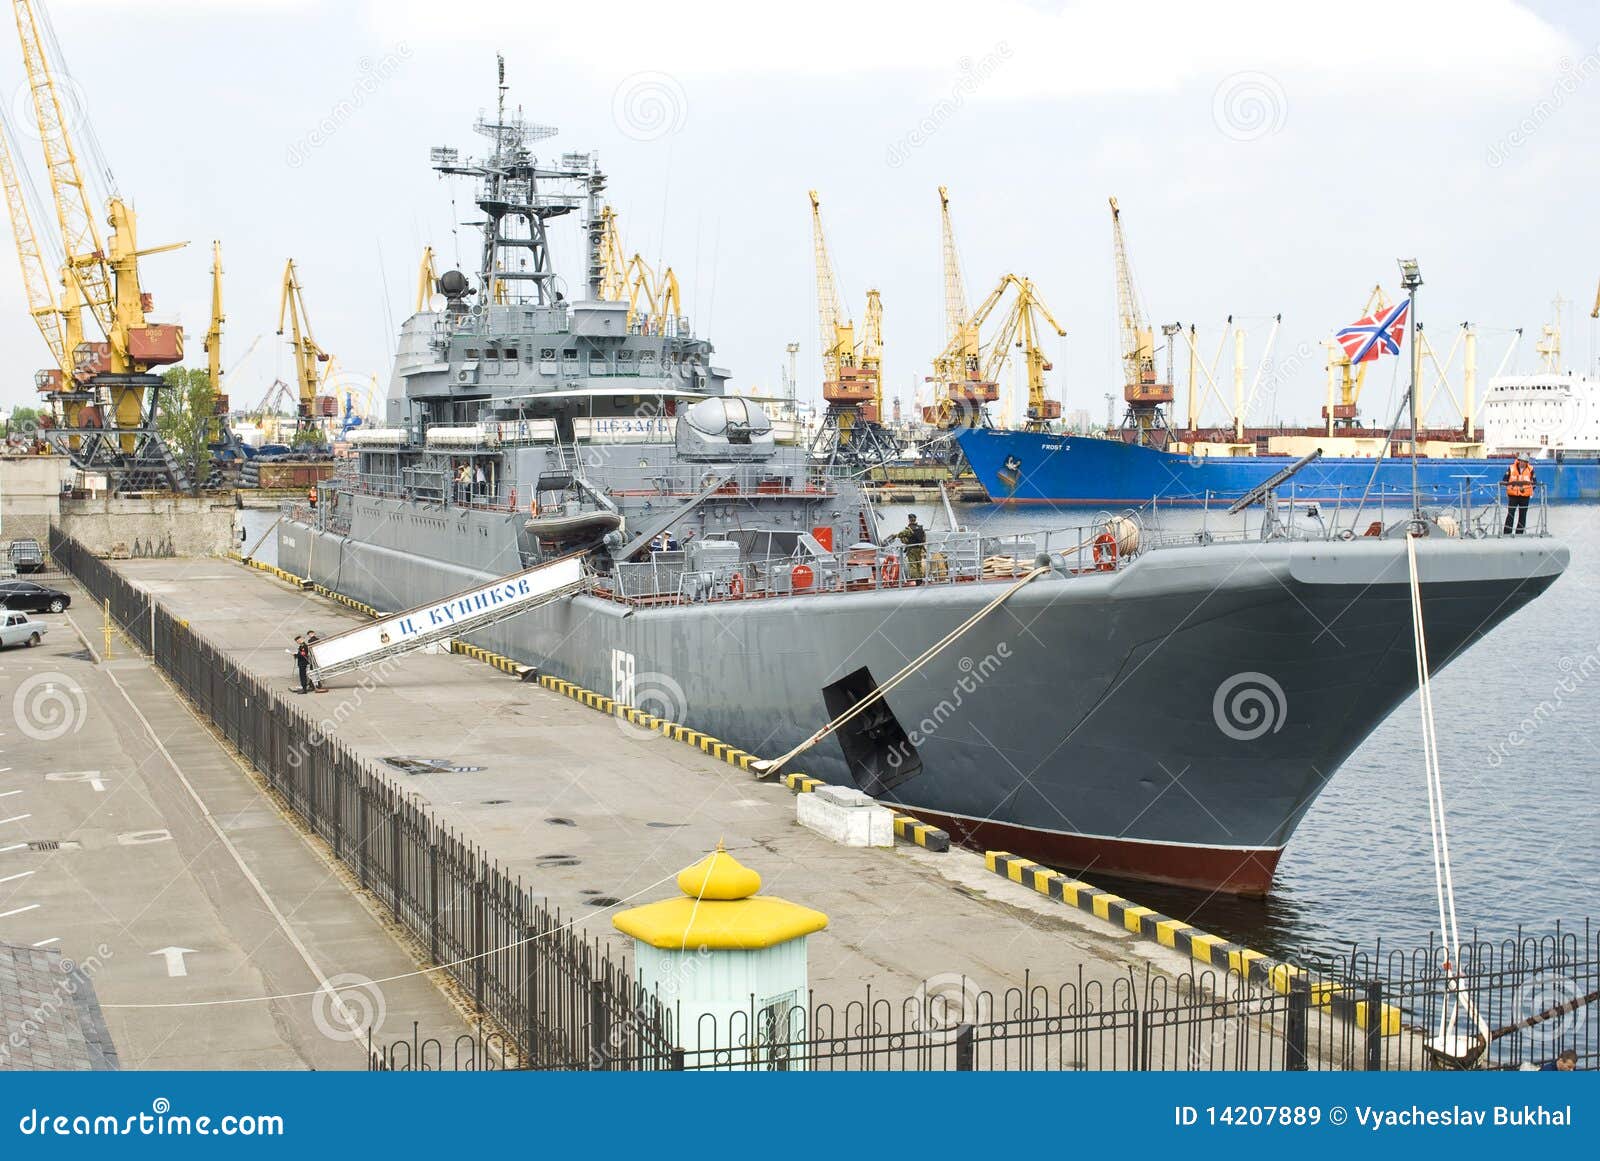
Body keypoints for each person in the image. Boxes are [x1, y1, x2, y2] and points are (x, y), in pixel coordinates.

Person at [884, 513, 927, 583]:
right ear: (915, 519)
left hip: (912, 549)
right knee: (919, 564)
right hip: (920, 549)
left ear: (909, 520)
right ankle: (921, 578)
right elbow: (924, 539)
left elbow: (900, 534)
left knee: (913, 565)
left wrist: (894, 536)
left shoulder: (909, 529)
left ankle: (916, 580)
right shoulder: (921, 528)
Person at [1502, 453, 1535, 534]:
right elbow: (1505, 480)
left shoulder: (1531, 469)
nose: (1522, 463)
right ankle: (1507, 532)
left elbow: (1534, 483)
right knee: (1511, 514)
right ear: (1518, 461)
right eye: (1521, 461)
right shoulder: (1511, 468)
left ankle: (1519, 533)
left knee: (1523, 515)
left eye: (1524, 462)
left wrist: (1527, 489)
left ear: (1527, 462)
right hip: (1513, 496)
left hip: (1525, 496)